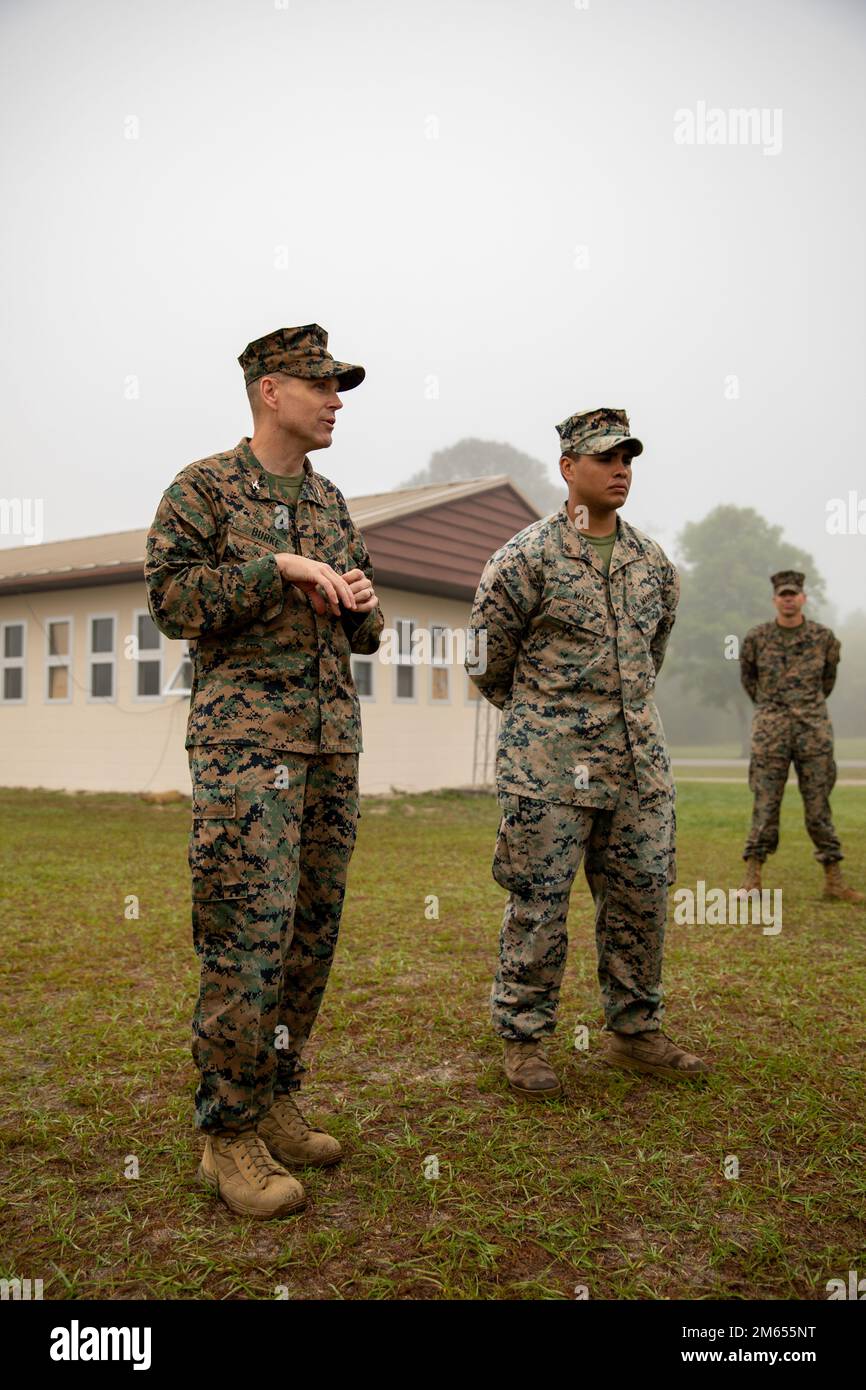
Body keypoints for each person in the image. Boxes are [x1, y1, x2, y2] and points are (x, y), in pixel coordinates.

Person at [145, 324, 384, 1218]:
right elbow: (173, 598)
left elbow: (366, 627)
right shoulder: (203, 488)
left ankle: (278, 1095)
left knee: (309, 936)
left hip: (330, 746)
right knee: (246, 936)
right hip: (247, 752)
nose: (335, 401)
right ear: (270, 391)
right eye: (321, 385)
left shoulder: (329, 500)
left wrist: (362, 605)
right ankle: (228, 1132)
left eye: (339, 386)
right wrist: (273, 568)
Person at [466, 407, 710, 1099]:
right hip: (548, 769)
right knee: (539, 903)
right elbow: (486, 661)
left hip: (637, 766)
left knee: (641, 897)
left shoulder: (652, 564)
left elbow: (651, 656)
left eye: (627, 457)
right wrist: (544, 722)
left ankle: (636, 1030)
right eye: (605, 457)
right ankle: (524, 1039)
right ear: (569, 467)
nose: (620, 470)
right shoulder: (523, 559)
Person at [739, 571, 862, 903]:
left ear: (803, 598)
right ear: (774, 600)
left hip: (813, 733)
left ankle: (834, 881)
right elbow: (749, 680)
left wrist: (805, 708)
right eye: (783, 595)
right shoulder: (756, 638)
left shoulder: (824, 638)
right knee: (765, 806)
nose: (788, 599)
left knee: (819, 807)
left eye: (793, 594)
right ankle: (752, 880)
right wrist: (773, 711)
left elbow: (828, 681)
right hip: (770, 734)